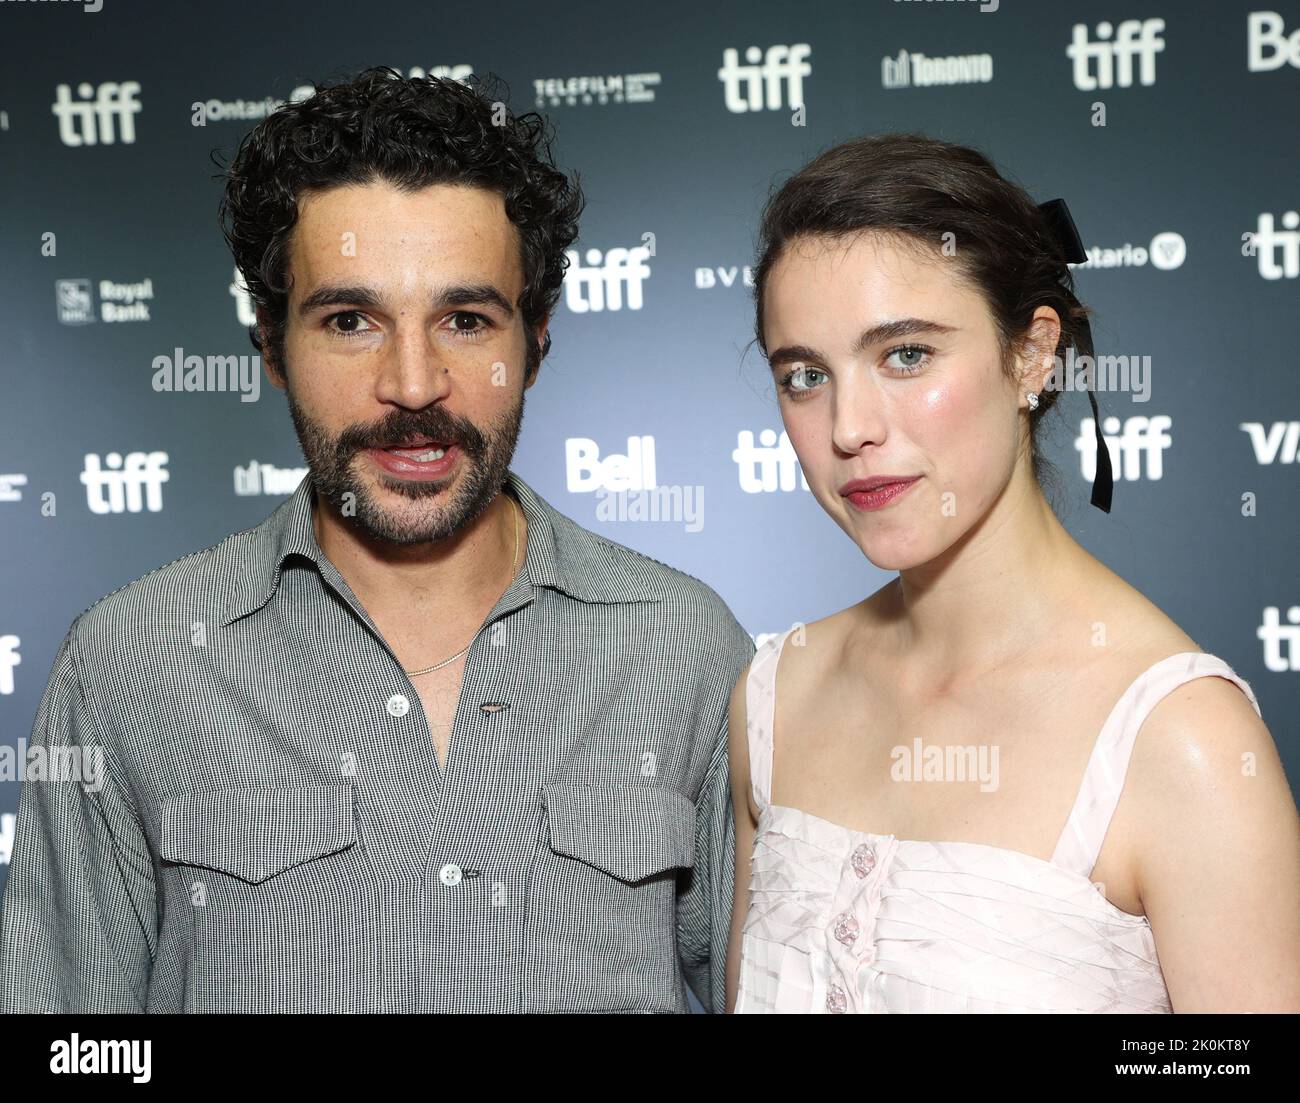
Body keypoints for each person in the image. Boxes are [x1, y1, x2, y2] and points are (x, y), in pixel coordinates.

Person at [0, 67, 752, 1014]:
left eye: (466, 319)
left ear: (537, 341)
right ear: (269, 343)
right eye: (351, 320)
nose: (413, 384)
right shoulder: (130, 661)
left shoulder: (682, 645)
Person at [724, 133, 1300, 1013]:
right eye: (804, 375)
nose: (850, 426)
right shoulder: (777, 694)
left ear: (1033, 354)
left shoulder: (1183, 740)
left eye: (906, 354)